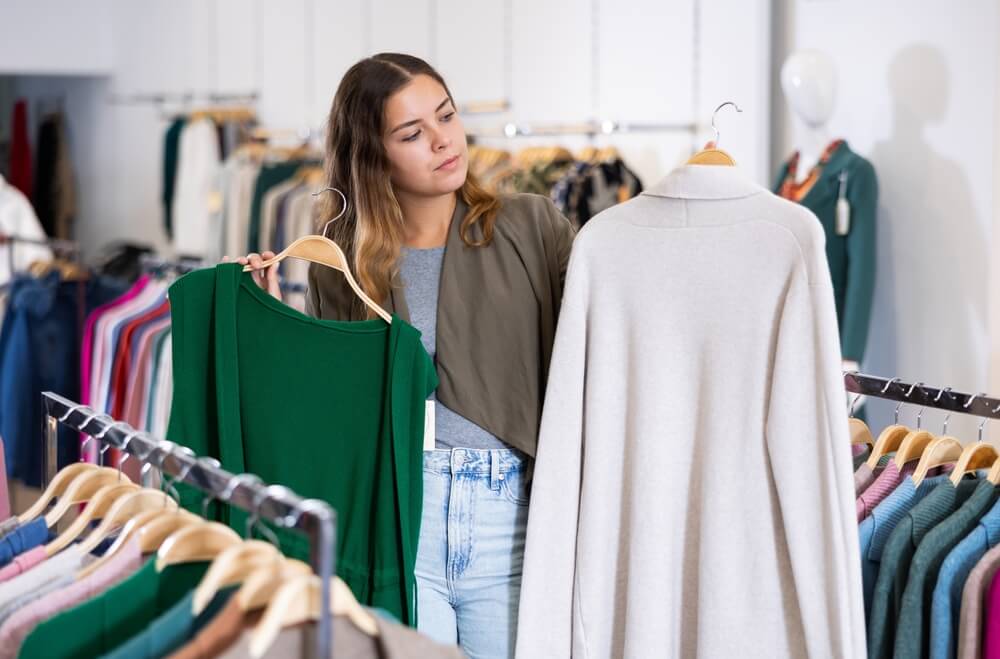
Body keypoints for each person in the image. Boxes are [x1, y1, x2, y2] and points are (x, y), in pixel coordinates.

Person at [231, 53, 575, 658]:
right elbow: (334, 417)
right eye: (412, 134)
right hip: (401, 518)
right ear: (373, 155)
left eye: (446, 116)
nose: (443, 141)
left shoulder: (531, 225)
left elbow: (601, 332)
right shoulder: (341, 263)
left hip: (514, 521)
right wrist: (267, 321)